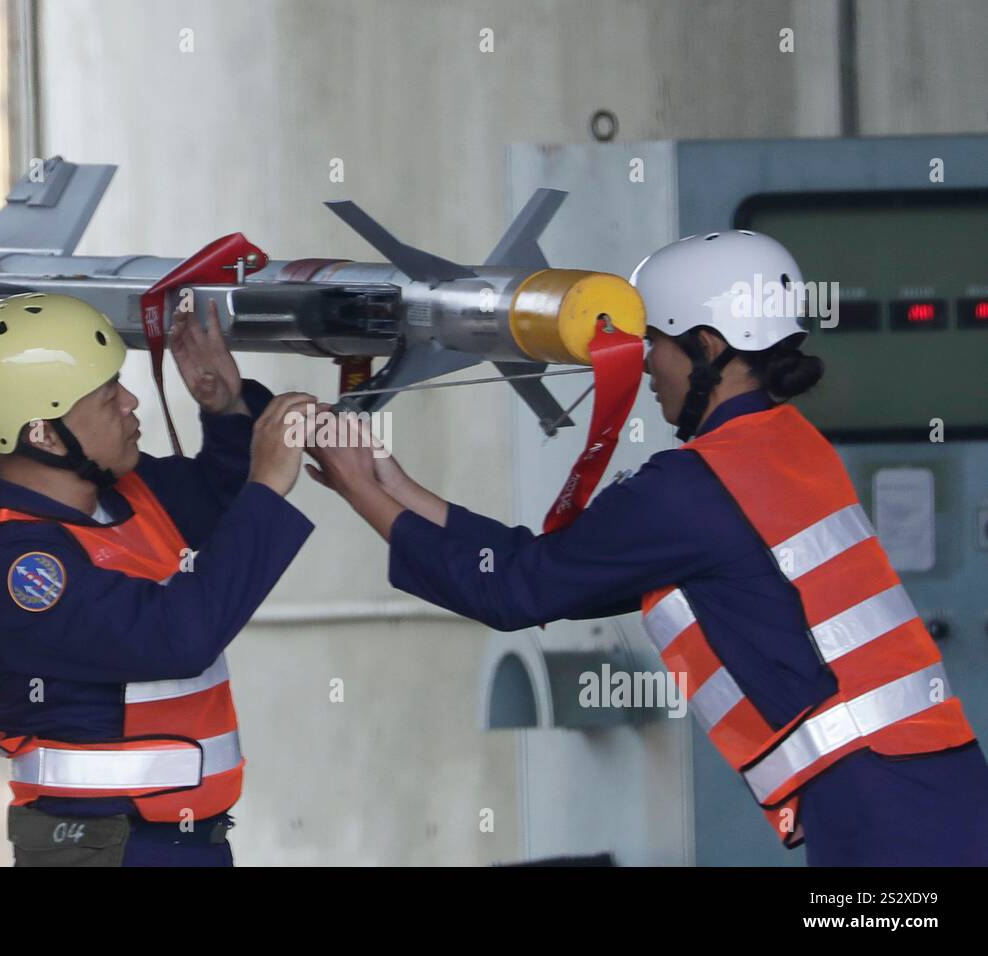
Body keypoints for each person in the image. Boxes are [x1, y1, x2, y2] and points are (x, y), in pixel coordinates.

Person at [306, 231, 988, 866]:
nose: (640, 362)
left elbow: (513, 590)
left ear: (709, 346)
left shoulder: (689, 491)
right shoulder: (787, 446)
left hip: (882, 813)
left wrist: (358, 491)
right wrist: (386, 482)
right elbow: (538, 567)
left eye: (652, 340)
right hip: (930, 791)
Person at [0, 291, 315, 866]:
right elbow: (178, 638)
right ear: (44, 434)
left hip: (180, 843)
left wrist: (226, 408)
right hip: (104, 850)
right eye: (107, 395)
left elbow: (223, 513)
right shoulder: (19, 567)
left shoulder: (123, 493)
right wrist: (268, 485)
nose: (131, 401)